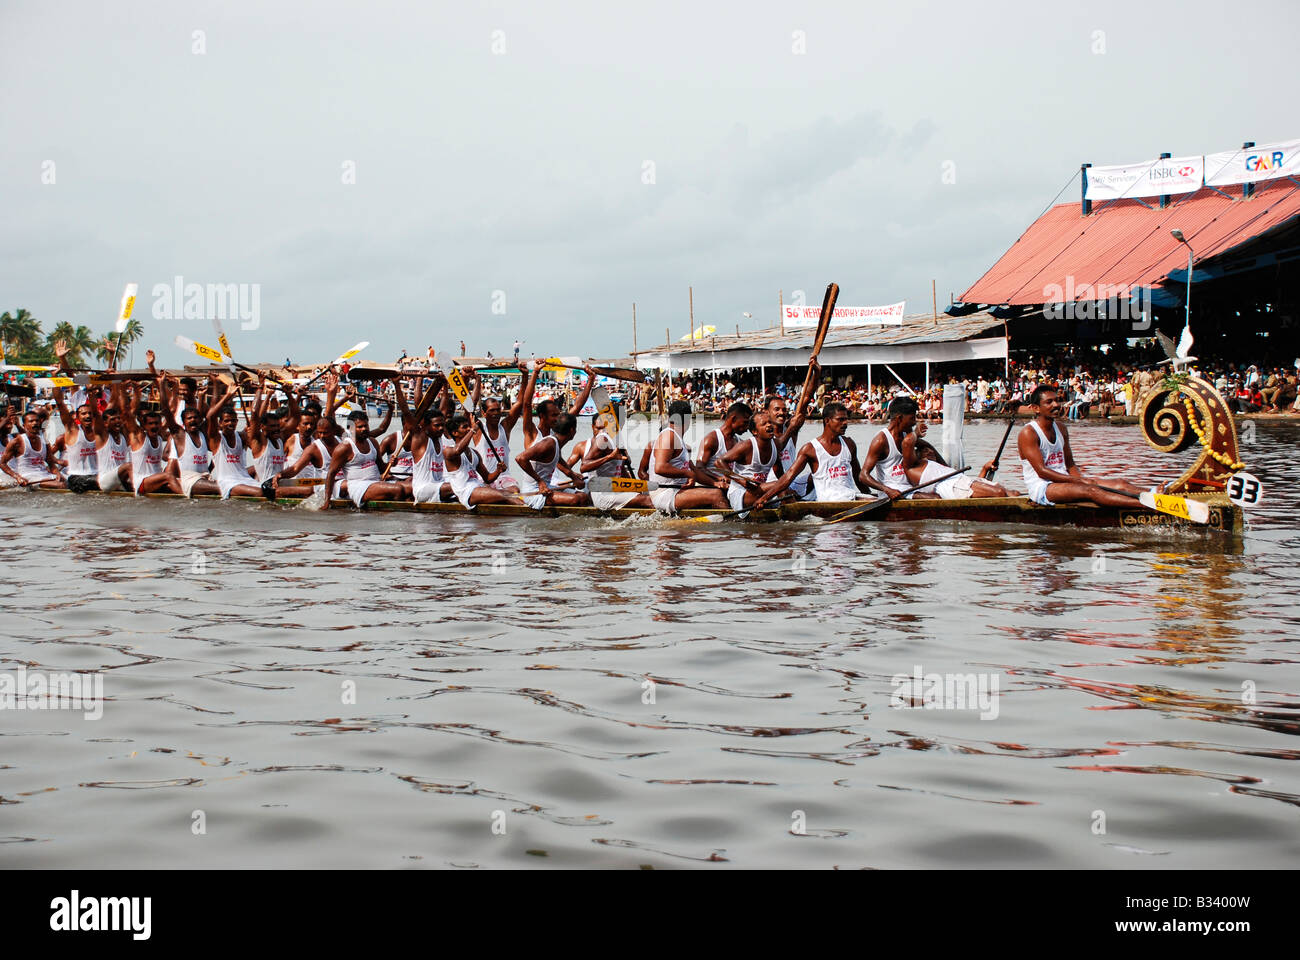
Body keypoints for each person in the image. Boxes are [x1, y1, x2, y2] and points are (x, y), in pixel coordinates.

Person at [1017, 384, 1156, 508]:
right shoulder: (1028, 433)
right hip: (1042, 487)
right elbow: (1042, 471)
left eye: (1057, 400)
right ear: (1036, 408)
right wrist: (1079, 482)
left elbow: (1070, 464)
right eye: (1049, 402)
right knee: (1092, 491)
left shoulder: (1061, 428)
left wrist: (1082, 479)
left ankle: (1154, 493)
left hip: (1065, 481)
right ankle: (1146, 505)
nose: (1056, 405)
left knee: (1120, 483)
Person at [647, 400, 727, 514]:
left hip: (677, 490)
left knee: (718, 490)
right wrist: (687, 474)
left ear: (670, 417)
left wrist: (715, 483)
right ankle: (732, 529)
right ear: (689, 419)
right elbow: (660, 468)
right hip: (664, 493)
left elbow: (693, 469)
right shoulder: (668, 435)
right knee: (716, 495)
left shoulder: (678, 438)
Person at [320, 410, 407, 509]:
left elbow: (382, 468)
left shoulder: (373, 442)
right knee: (398, 490)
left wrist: (391, 464)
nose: (364, 429)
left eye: (366, 426)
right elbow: (331, 473)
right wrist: (326, 501)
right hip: (357, 486)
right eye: (360, 427)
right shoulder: (344, 447)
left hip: (375, 482)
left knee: (410, 488)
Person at [475, 363, 537, 491]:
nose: (496, 414)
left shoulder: (505, 427)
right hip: (485, 479)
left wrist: (525, 375)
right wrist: (475, 380)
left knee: (515, 490)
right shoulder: (478, 429)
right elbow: (467, 408)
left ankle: (498, 496)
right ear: (483, 413)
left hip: (504, 478)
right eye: (492, 411)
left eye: (498, 410)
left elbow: (519, 403)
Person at [442, 415, 523, 509]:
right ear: (455, 433)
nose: (469, 428)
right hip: (466, 491)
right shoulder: (448, 451)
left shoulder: (475, 453)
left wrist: (498, 471)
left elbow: (488, 478)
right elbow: (458, 450)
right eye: (465, 427)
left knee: (511, 491)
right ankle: (527, 511)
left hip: (478, 486)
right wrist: (473, 430)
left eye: (469, 426)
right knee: (505, 495)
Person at [515, 413, 589, 509]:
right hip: (533, 492)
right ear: (572, 430)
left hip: (549, 488)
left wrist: (574, 478)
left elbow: (560, 462)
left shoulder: (556, 444)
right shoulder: (549, 443)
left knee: (583, 497)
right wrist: (540, 481)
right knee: (575, 499)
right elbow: (520, 458)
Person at [858, 396, 922, 500]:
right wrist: (887, 490)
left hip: (910, 488)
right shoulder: (881, 440)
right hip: (892, 493)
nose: (915, 422)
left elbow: (927, 446)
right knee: (935, 498)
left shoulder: (908, 435)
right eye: (912, 418)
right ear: (900, 418)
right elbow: (863, 476)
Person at [1, 409, 65, 488]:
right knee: (61, 485)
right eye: (31, 421)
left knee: (67, 482)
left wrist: (57, 473)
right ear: (24, 425)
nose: (35, 423)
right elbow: (2, 463)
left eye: (37, 421)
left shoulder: (45, 440)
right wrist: (17, 477)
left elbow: (50, 462)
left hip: (43, 474)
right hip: (28, 477)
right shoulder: (17, 441)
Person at [693, 401, 751, 474]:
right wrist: (718, 481)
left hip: (731, 483)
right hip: (712, 484)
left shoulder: (739, 442)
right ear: (733, 419)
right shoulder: (711, 440)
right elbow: (699, 468)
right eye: (745, 422)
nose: (747, 427)